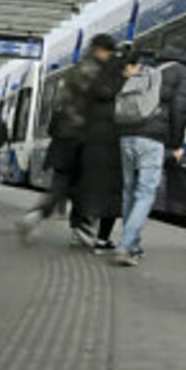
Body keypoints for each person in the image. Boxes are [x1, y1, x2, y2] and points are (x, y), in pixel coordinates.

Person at [110, 48, 186, 267]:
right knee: (146, 192)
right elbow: (180, 110)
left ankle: (134, 246)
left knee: (129, 190)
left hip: (126, 135)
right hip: (152, 139)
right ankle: (125, 246)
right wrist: (176, 145)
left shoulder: (148, 70)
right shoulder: (184, 73)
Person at [17, 67, 88, 244]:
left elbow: (51, 130)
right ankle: (78, 232)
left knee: (58, 190)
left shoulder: (61, 107)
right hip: (80, 153)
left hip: (60, 154)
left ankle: (35, 215)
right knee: (82, 193)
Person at [72, 35, 126, 252]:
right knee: (112, 192)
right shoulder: (114, 78)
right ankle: (102, 238)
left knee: (87, 187)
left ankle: (82, 229)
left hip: (90, 141)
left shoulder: (86, 72)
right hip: (111, 141)